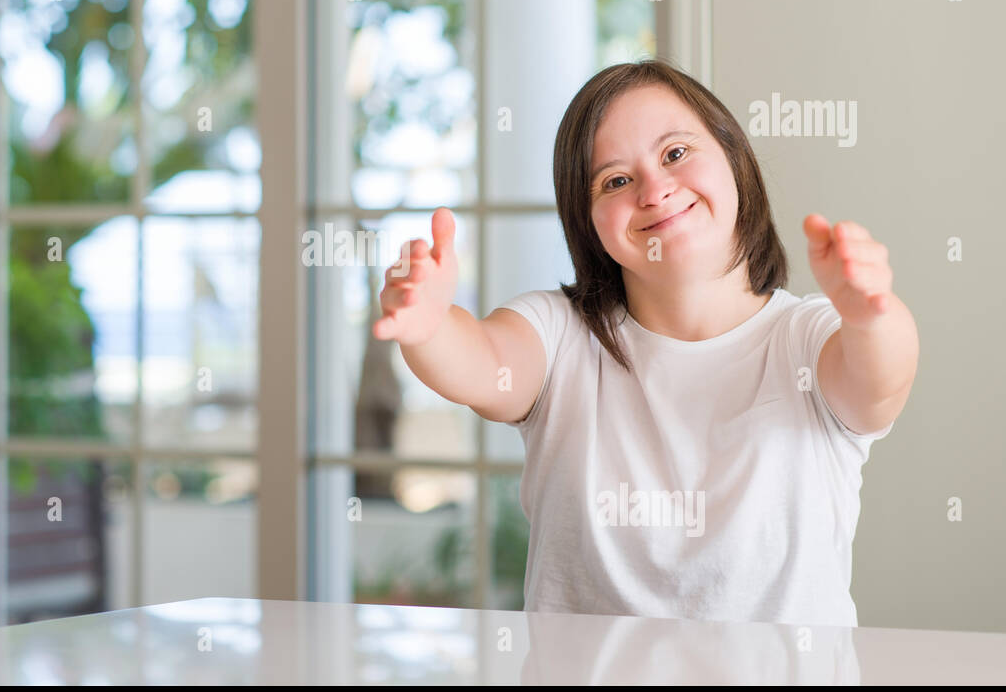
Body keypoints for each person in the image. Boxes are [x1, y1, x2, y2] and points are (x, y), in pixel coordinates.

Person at [372, 59, 919, 628]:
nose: (655, 190)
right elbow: (482, 362)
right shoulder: (560, 336)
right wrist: (429, 326)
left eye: (675, 153)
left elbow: (879, 381)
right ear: (588, 223)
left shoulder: (809, 339)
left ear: (734, 158)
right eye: (615, 181)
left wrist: (870, 315)